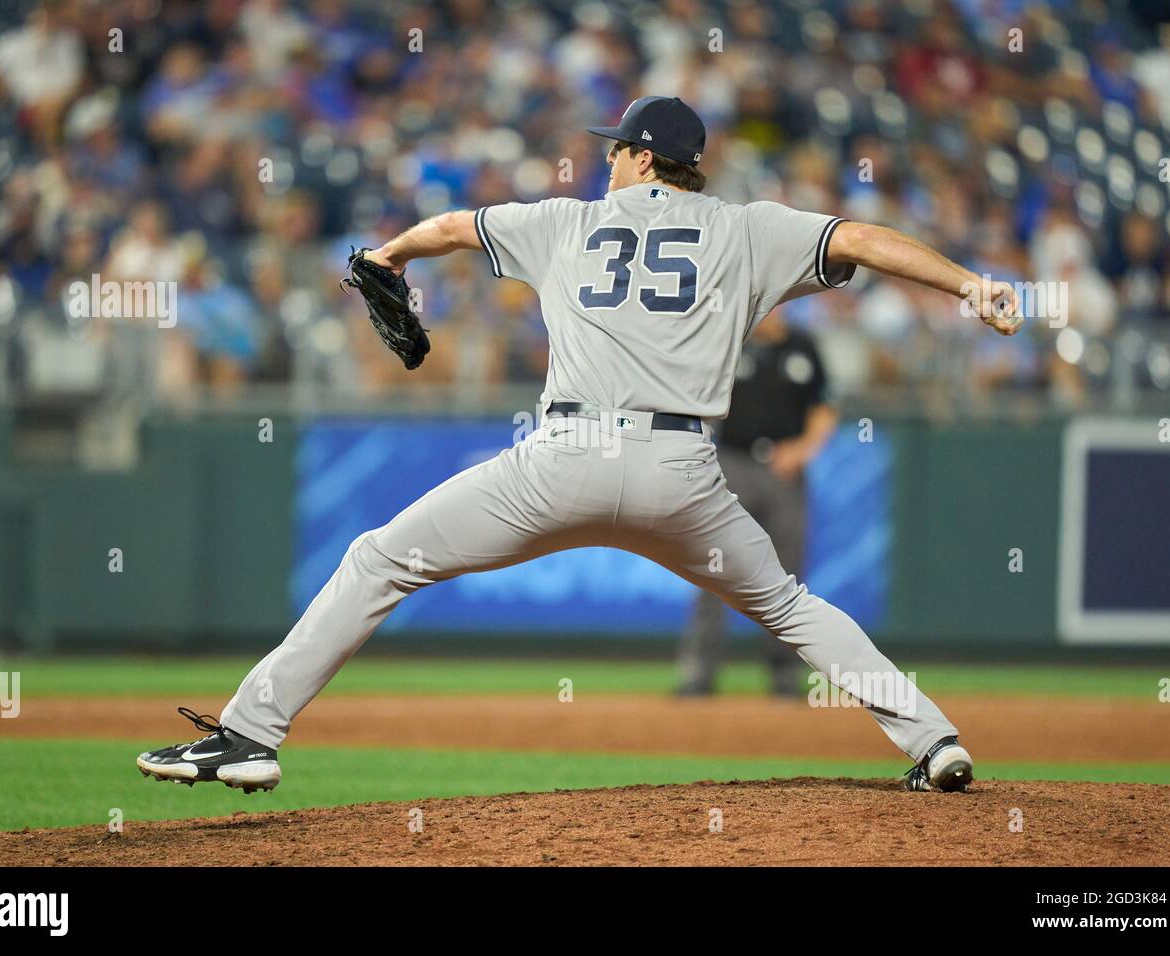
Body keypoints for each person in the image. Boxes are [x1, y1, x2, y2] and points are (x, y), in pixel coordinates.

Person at [137, 96, 1021, 794]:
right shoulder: (750, 228)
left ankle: (250, 736)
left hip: (561, 461)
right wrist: (970, 285)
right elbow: (861, 240)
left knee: (379, 560)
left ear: (641, 158)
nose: (606, 159)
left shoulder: (562, 223)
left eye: (615, 148)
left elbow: (445, 231)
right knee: (790, 608)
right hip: (684, 477)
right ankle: (933, 739)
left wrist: (386, 255)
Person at [676, 311, 836, 697]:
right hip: (733, 464)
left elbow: (825, 407)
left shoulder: (802, 346)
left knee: (786, 576)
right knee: (713, 567)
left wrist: (802, 450)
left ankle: (784, 678)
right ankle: (699, 674)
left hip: (785, 468)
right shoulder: (731, 342)